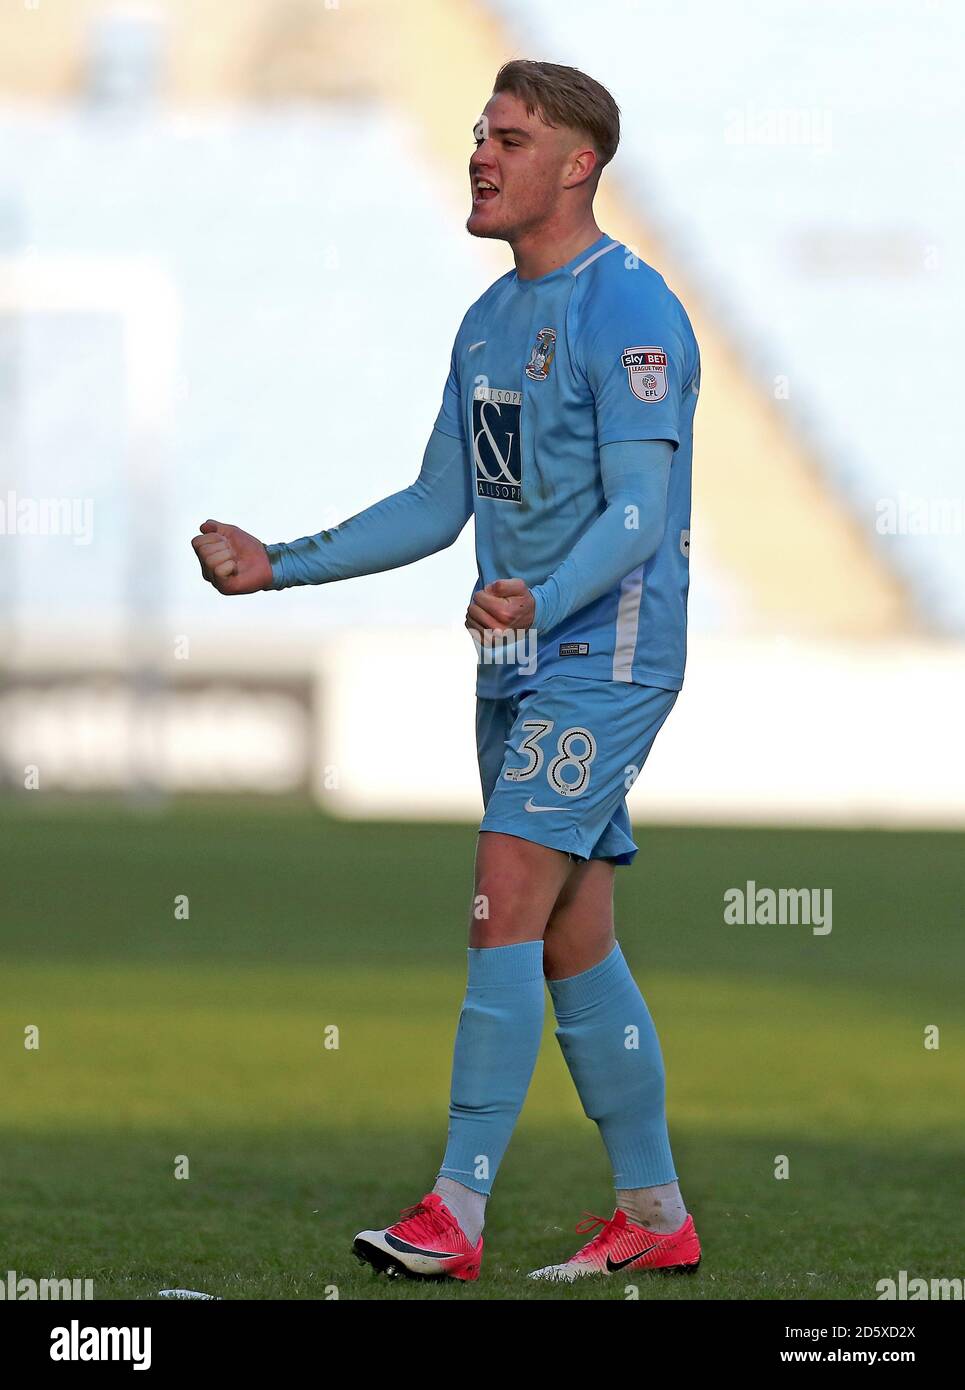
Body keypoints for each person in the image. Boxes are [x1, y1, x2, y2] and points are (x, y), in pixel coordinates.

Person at [191, 59, 701, 1284]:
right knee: (572, 936)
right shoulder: (488, 321)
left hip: (603, 652)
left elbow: (639, 512)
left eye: (509, 138)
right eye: (479, 133)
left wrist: (541, 592)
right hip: (515, 649)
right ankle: (653, 1211)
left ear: (575, 165)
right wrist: (283, 562)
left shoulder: (627, 310)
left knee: (502, 891)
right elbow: (440, 502)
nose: (480, 153)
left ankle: (453, 1210)